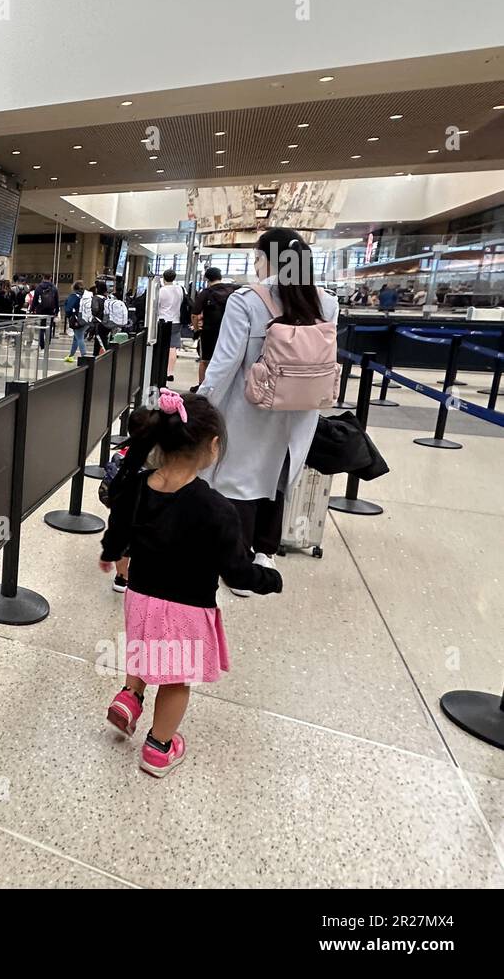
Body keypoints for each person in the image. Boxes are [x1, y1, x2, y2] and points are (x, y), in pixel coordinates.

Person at [99, 390, 281, 778]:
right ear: (213, 447)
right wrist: (269, 579)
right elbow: (238, 573)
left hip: (139, 598)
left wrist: (111, 553)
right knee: (176, 680)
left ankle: (131, 697)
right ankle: (159, 749)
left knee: (145, 648)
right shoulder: (217, 510)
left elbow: (117, 528)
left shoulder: (137, 485)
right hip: (183, 609)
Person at [197, 228, 338, 588]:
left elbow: (225, 364)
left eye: (257, 258)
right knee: (279, 476)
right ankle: (266, 552)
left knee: (239, 481)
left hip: (251, 409)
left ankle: (238, 567)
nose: (256, 266)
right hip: (302, 411)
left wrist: (200, 406)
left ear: (270, 259)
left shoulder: (247, 300)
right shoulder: (327, 302)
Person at [189, 266, 238, 388]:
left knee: (205, 360)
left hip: (209, 331)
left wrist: (196, 331)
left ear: (207, 279)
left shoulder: (206, 293)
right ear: (220, 277)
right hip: (228, 331)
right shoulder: (233, 290)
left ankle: (202, 386)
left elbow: (194, 314)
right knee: (223, 359)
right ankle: (220, 386)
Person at [156, 269, 185, 381]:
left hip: (163, 321)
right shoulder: (180, 289)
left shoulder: (162, 291)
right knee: (173, 347)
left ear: (163, 278)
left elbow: (156, 306)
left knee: (162, 347)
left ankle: (161, 370)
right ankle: (170, 372)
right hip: (177, 321)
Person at [32, 277, 60, 350]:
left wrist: (33, 308)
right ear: (50, 278)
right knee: (49, 327)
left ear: (43, 278)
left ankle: (42, 344)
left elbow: (35, 299)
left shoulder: (38, 287)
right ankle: (47, 343)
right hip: (50, 310)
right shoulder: (54, 287)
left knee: (42, 327)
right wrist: (56, 310)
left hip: (41, 310)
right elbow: (56, 300)